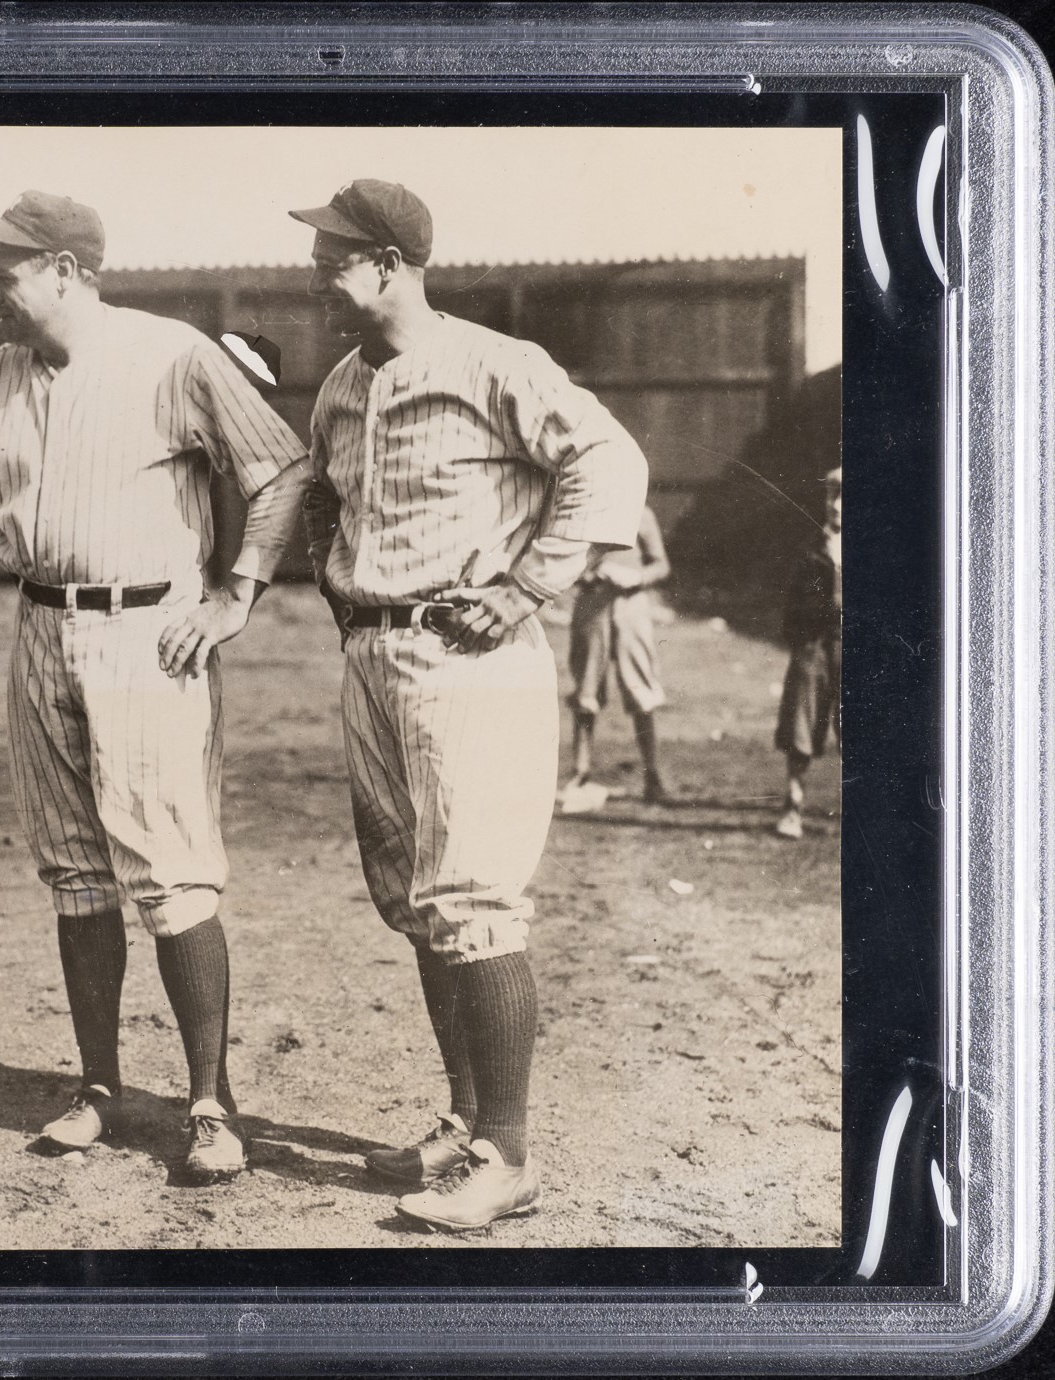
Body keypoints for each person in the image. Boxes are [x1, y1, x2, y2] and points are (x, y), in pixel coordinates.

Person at [0, 191, 311, 1183]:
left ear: (69, 271)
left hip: (150, 636)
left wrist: (237, 594)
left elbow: (280, 467)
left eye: (8, 265)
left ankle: (211, 1106)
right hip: (41, 627)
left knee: (170, 876)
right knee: (76, 875)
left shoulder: (173, 354)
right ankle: (99, 1087)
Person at [293, 179, 648, 1229]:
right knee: (415, 898)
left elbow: (607, 460)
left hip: (467, 657)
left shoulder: (495, 361)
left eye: (335, 260)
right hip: (373, 652)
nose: (318, 277)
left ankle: (513, 1157)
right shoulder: (342, 386)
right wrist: (331, 575)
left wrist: (528, 586)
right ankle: (464, 1123)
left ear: (392, 263)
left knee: (475, 900)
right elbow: (324, 493)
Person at [561, 506, 674, 808]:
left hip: (630, 606)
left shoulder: (642, 513)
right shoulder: (582, 509)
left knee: (640, 691)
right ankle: (580, 773)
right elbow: (562, 561)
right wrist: (587, 574)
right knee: (586, 691)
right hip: (592, 604)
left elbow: (661, 566)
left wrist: (635, 577)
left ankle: (653, 774)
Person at [773, 467, 843, 840]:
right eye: (832, 494)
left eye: (846, 495)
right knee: (800, 724)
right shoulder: (811, 547)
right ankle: (792, 805)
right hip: (814, 646)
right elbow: (791, 610)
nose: (837, 505)